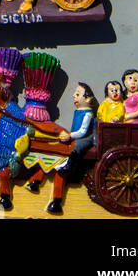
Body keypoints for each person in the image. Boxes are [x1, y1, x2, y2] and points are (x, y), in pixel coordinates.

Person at [47, 82, 97, 215]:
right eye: (75, 93)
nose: (74, 96)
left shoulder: (88, 114)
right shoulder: (78, 111)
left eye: (78, 94)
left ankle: (70, 167)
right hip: (76, 135)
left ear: (88, 99)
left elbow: (82, 131)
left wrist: (69, 136)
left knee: (77, 148)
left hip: (86, 137)